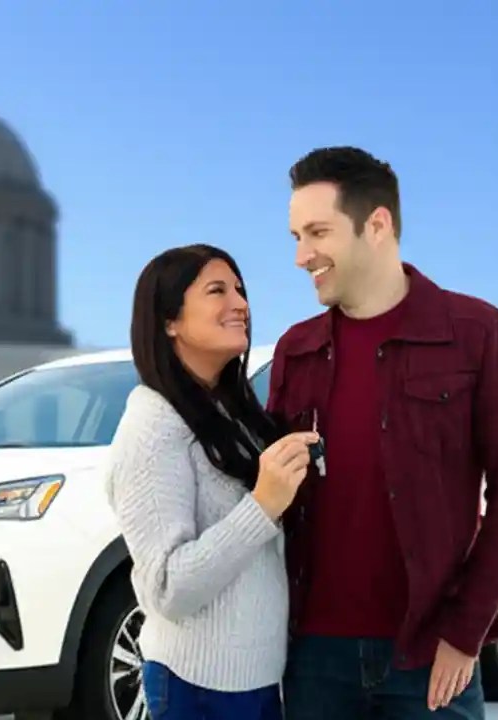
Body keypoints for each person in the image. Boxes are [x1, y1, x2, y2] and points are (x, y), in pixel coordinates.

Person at [265, 147, 498, 719]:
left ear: (377, 225)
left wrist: (466, 632)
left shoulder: (480, 336)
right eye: (295, 235)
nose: (301, 256)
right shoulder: (297, 350)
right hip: (313, 661)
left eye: (317, 232)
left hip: (428, 660)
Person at [104, 243, 320, 719]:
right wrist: (263, 505)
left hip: (260, 685)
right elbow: (168, 589)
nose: (240, 303)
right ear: (169, 321)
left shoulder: (235, 416)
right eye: (217, 291)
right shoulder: (154, 426)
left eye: (240, 290)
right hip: (196, 690)